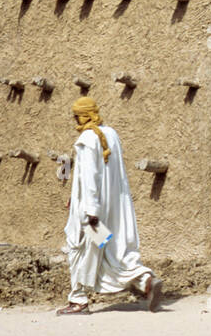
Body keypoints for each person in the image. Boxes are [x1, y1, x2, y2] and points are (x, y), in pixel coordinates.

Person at [57, 96, 162, 315]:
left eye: (75, 115)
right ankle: (145, 281)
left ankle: (78, 300)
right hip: (113, 208)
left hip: (91, 213)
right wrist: (74, 195)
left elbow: (90, 177)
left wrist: (91, 212)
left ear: (82, 115)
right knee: (112, 250)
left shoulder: (87, 139)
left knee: (81, 249)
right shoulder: (111, 134)